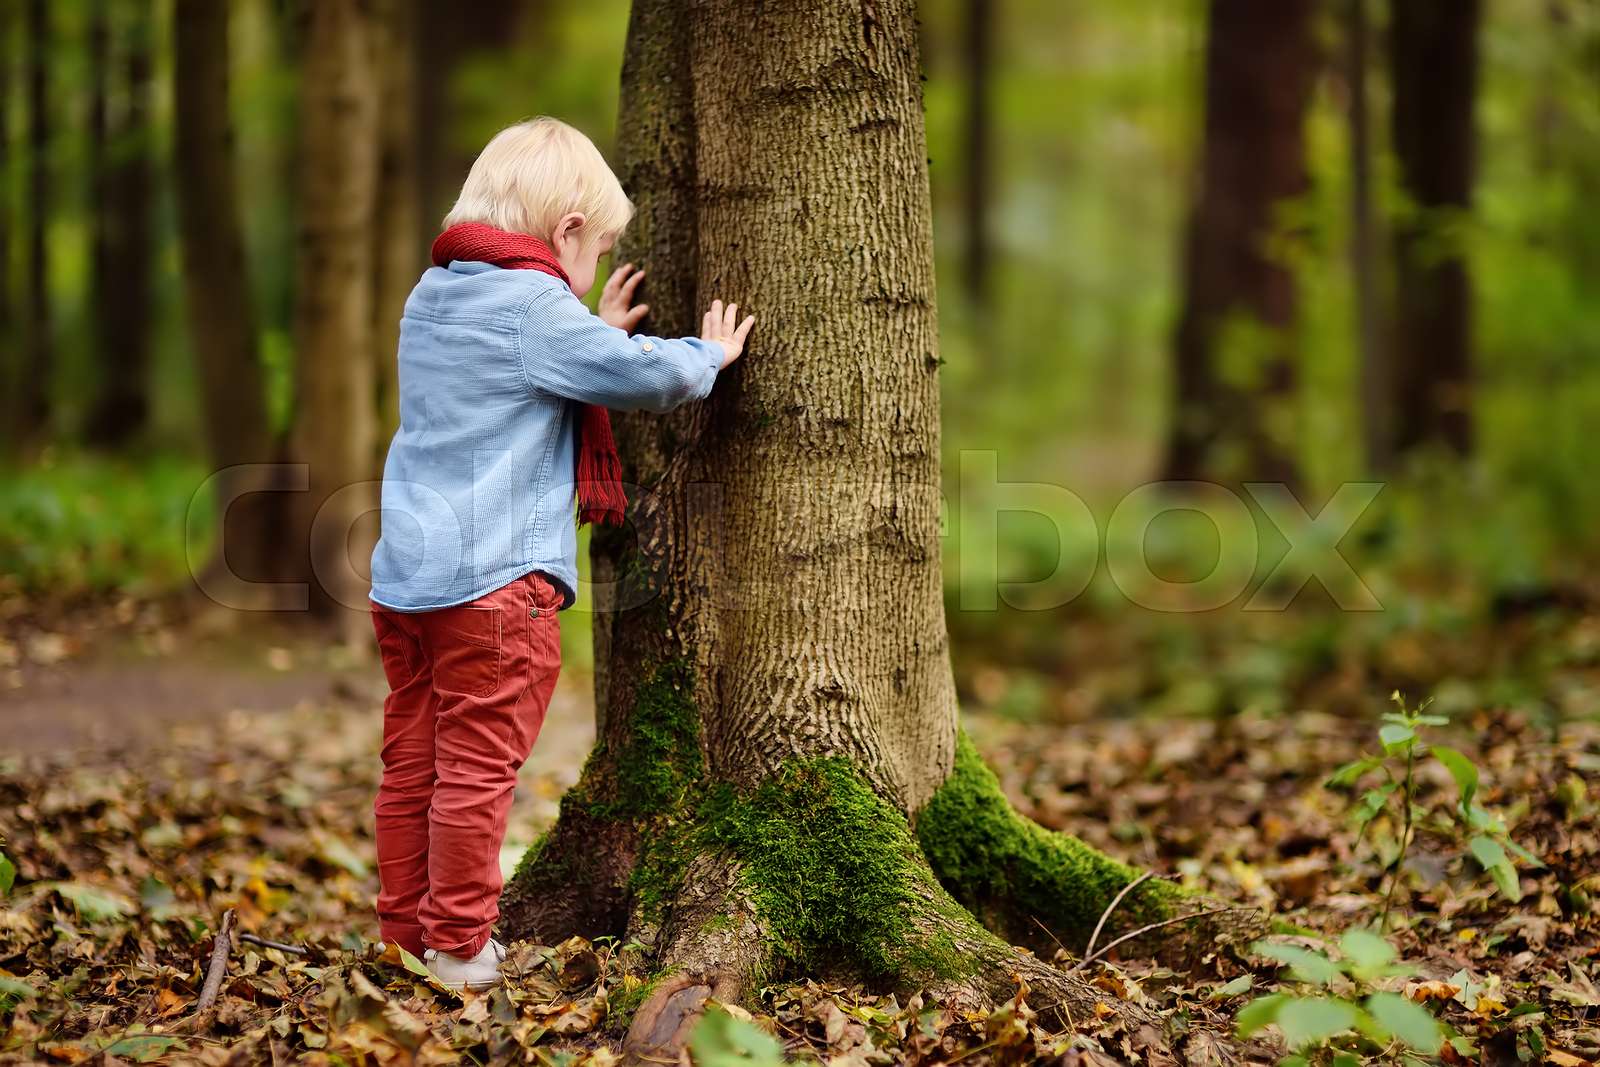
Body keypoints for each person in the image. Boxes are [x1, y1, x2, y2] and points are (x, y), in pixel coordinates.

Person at [366, 117, 755, 991]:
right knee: (477, 770)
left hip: (408, 582)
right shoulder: (534, 310)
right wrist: (708, 355)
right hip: (498, 588)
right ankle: (462, 946)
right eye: (600, 243)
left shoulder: (433, 295)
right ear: (566, 231)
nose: (594, 262)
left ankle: (402, 933)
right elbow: (643, 376)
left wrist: (589, 328)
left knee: (415, 763)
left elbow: (531, 365)